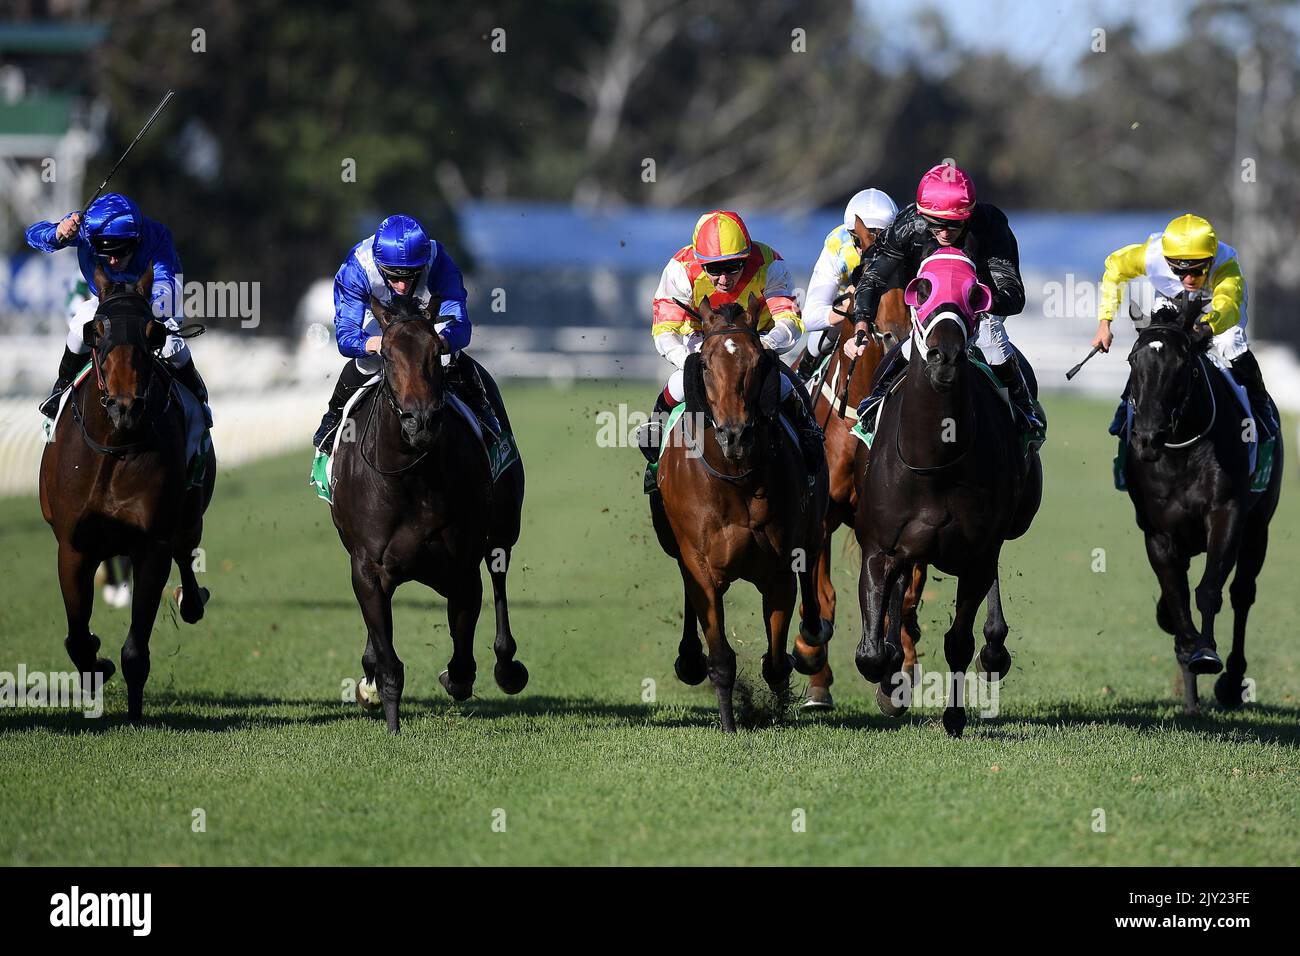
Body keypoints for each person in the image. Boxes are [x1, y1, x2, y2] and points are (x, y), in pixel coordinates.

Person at [849, 164, 1043, 435]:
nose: (944, 232)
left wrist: (984, 302)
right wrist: (861, 321)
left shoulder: (990, 225)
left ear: (969, 215)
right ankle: (875, 404)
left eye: (954, 224)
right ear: (922, 214)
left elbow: (1014, 293)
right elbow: (873, 278)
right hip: (930, 309)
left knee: (994, 347)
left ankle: (1024, 412)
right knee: (905, 350)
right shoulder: (908, 224)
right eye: (935, 223)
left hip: (978, 306)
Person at [635, 209, 823, 477]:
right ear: (700, 262)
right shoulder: (680, 270)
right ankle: (656, 436)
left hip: (756, 340)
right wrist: (692, 359)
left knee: (782, 384)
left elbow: (790, 321)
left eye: (733, 267)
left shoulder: (769, 264)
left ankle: (808, 433)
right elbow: (665, 331)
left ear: (746, 258)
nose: (724, 279)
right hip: (700, 341)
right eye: (714, 269)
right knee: (680, 384)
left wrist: (764, 345)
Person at [312, 213, 496, 453]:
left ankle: (483, 412)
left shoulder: (439, 261)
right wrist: (379, 344)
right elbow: (346, 338)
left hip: (425, 314)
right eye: (394, 275)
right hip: (378, 315)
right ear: (379, 265)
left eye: (410, 275)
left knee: (451, 355)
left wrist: (441, 341)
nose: (402, 285)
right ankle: (333, 419)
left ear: (424, 262)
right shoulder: (356, 268)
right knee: (367, 362)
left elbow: (460, 325)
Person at [26, 192, 208, 420]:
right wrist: (57, 233)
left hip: (153, 300)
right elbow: (31, 235)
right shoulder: (84, 228)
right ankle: (60, 389)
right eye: (106, 253)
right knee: (78, 327)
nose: (112, 261)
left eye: (120, 252)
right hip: (107, 299)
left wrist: (140, 311)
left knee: (172, 345)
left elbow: (165, 283)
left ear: (136, 241)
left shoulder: (157, 235)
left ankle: (198, 397)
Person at [1092, 213, 1275, 436]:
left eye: (1197, 270)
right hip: (1171, 298)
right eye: (1178, 269)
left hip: (1215, 303)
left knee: (1229, 344)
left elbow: (1228, 305)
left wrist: (1206, 326)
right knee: (1155, 346)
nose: (1188, 278)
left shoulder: (1226, 266)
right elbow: (1114, 269)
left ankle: (1261, 409)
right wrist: (1105, 322)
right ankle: (1126, 404)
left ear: (1211, 260)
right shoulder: (1150, 255)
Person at [796, 187, 898, 380]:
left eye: (879, 239)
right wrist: (848, 305)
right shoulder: (838, 247)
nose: (867, 248)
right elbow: (810, 317)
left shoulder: (903, 245)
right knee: (818, 343)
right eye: (858, 240)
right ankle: (804, 378)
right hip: (848, 310)